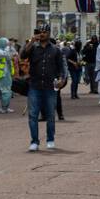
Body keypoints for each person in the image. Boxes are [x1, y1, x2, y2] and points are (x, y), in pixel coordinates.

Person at [23, 24, 66, 152]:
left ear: (49, 33)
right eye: (39, 32)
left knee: (50, 115)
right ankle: (34, 141)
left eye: (44, 32)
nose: (41, 34)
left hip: (49, 86)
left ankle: (50, 139)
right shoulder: (33, 48)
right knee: (33, 115)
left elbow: (61, 68)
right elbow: (23, 55)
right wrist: (31, 41)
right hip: (34, 86)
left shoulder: (55, 50)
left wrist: (61, 80)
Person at [0, 38, 15, 113]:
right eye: (6, 43)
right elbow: (6, 56)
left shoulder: (0, 50)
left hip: (5, 73)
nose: (7, 44)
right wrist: (9, 50)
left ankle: (4, 107)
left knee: (6, 91)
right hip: (0, 74)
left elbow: (10, 57)